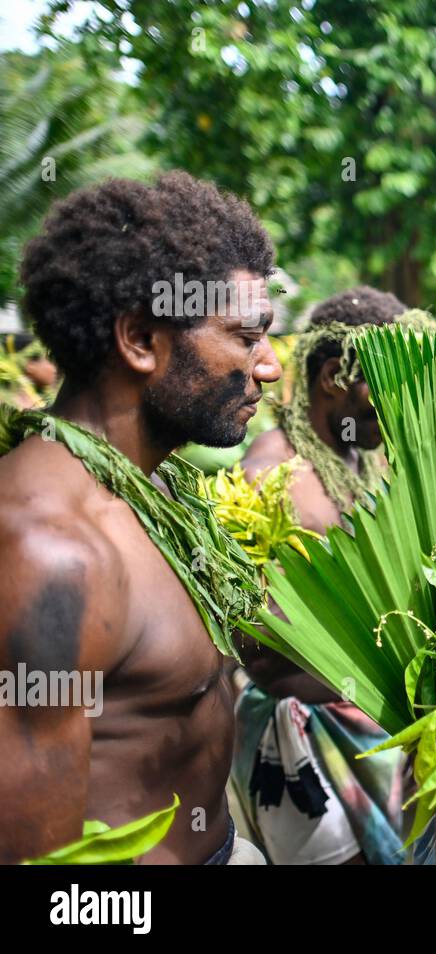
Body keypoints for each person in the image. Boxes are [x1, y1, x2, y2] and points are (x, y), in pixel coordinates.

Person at [0, 172, 281, 864]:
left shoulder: (160, 496)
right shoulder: (52, 551)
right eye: (245, 337)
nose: (269, 367)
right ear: (139, 339)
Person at [233, 287, 408, 865]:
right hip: (307, 747)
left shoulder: (367, 462)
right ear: (336, 376)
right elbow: (260, 649)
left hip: (379, 728)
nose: (403, 404)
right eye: (390, 383)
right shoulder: (274, 476)